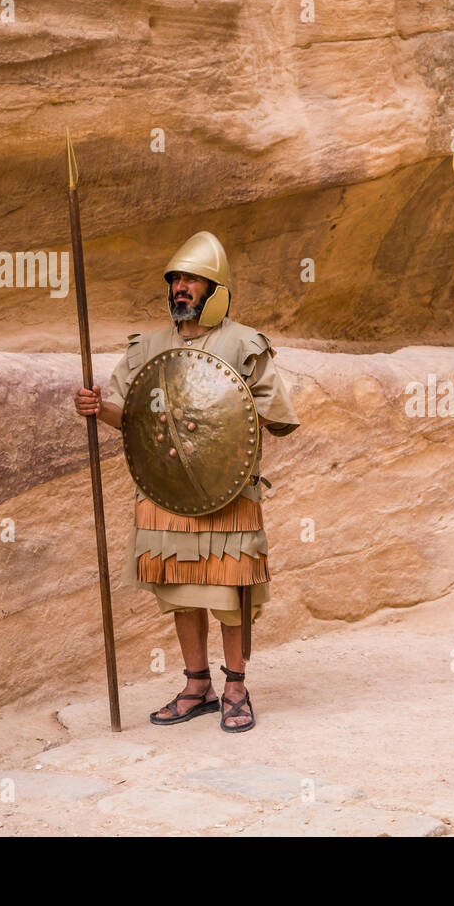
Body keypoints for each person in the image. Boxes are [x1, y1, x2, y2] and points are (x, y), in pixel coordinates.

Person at [74, 231, 299, 732]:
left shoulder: (244, 344)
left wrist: (218, 420)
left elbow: (274, 416)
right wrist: (97, 408)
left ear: (215, 288)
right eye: (175, 279)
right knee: (181, 587)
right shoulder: (145, 349)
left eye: (191, 279)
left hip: (228, 491)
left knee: (231, 592)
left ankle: (235, 686)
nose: (180, 287)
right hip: (166, 492)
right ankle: (198, 686)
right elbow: (125, 415)